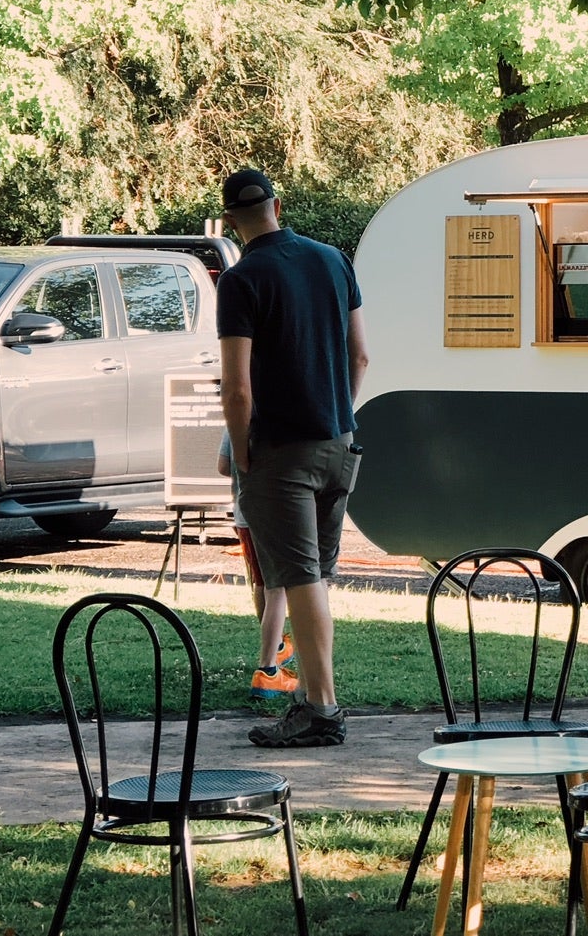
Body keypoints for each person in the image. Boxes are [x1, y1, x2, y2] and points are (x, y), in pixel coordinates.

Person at [216, 167, 368, 748]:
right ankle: (310, 699)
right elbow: (360, 357)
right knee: (317, 579)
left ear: (231, 219)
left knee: (300, 579)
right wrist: (336, 417)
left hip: (281, 454)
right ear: (277, 205)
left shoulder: (242, 280)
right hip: (338, 445)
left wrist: (244, 449)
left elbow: (237, 388)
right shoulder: (334, 260)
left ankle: (321, 711)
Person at [216, 428, 297, 702]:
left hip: (243, 513)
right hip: (273, 513)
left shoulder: (236, 418)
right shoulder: (277, 416)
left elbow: (223, 466)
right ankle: (269, 670)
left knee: (260, 583)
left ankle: (275, 644)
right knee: (279, 588)